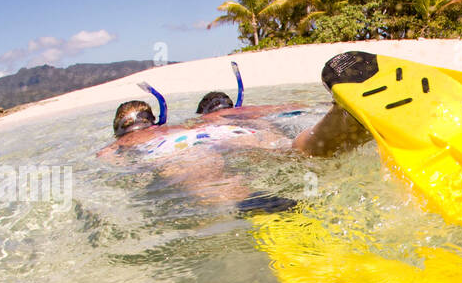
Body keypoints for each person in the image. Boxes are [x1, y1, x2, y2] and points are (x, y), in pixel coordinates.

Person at [98, 62, 368, 206]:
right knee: (289, 152)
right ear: (153, 120)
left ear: (119, 128)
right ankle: (339, 120)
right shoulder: (187, 125)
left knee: (207, 177)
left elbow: (108, 160)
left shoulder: (134, 139)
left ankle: (255, 202)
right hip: (234, 132)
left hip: (180, 146)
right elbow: (286, 108)